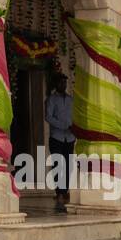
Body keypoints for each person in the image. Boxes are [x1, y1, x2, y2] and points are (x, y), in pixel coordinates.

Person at [44, 74, 75, 211]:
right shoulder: (51, 99)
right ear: (56, 84)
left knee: (68, 165)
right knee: (58, 165)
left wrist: (74, 127)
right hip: (56, 137)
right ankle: (59, 192)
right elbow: (48, 117)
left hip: (69, 138)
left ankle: (65, 190)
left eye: (65, 82)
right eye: (61, 82)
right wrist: (63, 125)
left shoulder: (70, 100)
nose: (63, 85)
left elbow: (75, 115)